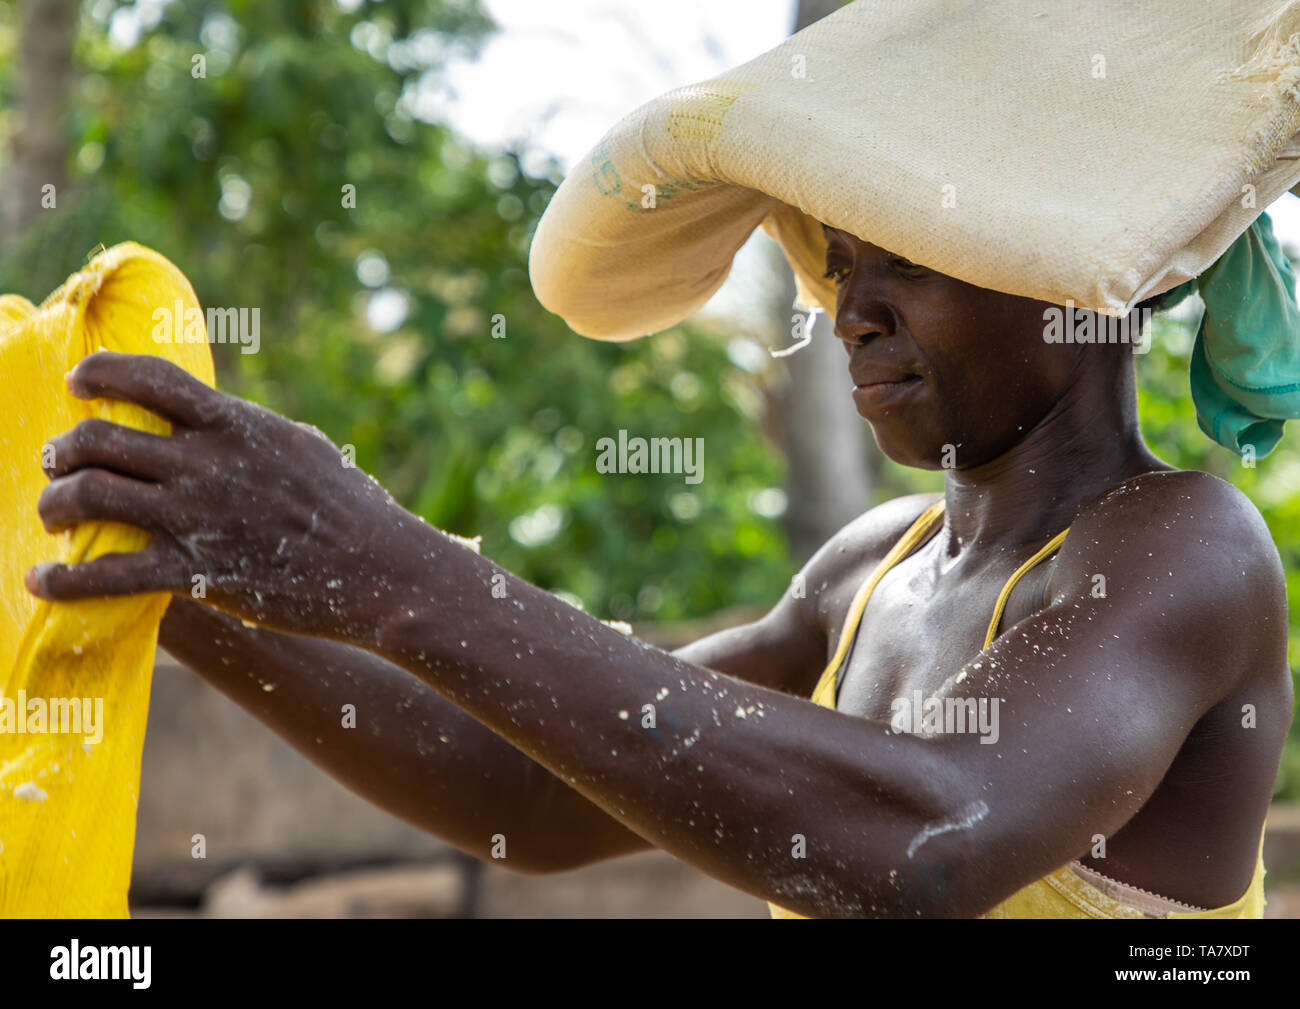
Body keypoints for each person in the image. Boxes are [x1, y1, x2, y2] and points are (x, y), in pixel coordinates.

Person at [26, 217, 1292, 917]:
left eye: (909, 258)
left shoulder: (1182, 544)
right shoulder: (870, 570)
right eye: (842, 265)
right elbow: (518, 792)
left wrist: (386, 563)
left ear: (1097, 280)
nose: (850, 307)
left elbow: (932, 840)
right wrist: (165, 577)